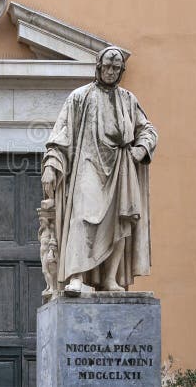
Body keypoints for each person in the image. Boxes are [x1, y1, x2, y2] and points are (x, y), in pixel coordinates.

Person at [41, 46, 157, 294]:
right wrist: (51, 164)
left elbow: (147, 129)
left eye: (116, 68)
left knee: (121, 220)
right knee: (82, 215)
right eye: (107, 66)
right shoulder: (80, 97)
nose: (111, 71)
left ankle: (110, 279)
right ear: (98, 66)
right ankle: (76, 275)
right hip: (89, 163)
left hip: (121, 166)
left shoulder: (128, 99)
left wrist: (141, 148)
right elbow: (61, 135)